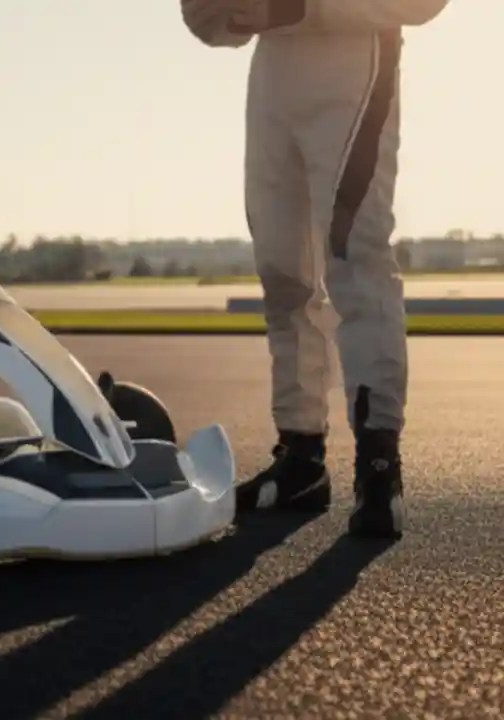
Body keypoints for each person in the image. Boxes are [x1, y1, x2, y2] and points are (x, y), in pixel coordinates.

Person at [179, 0, 449, 538]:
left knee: (355, 256)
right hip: (276, 76)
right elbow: (201, 16)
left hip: (353, 66)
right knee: (282, 272)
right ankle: (301, 457)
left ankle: (378, 467)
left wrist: (293, 7)